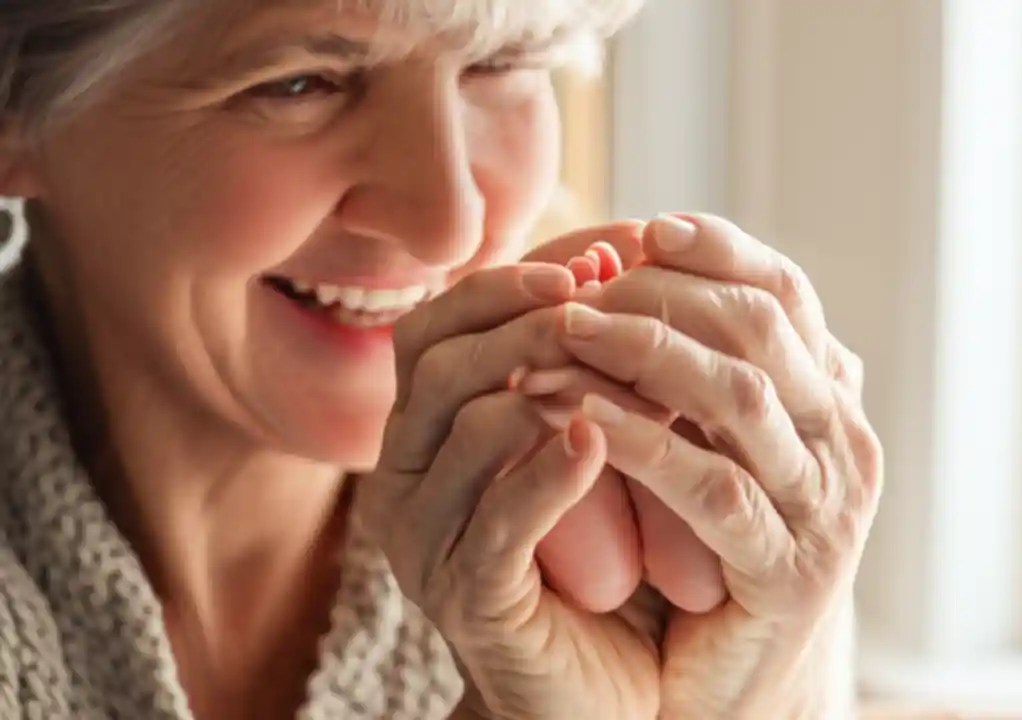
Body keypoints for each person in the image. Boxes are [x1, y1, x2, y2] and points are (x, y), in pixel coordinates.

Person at [0, 0, 884, 717]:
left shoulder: (681, 521)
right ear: (19, 109)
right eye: (302, 83)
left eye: (500, 63)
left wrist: (759, 699)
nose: (452, 220)